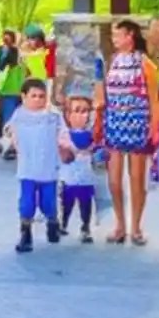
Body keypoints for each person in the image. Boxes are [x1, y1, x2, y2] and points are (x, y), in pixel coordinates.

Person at [97, 19, 159, 246]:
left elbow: (154, 100)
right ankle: (120, 224)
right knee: (114, 180)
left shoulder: (145, 63)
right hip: (115, 124)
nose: (114, 39)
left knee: (137, 179)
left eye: (118, 35)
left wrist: (154, 130)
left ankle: (136, 226)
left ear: (130, 36)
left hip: (138, 125)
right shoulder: (114, 61)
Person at [4, 78, 70, 252]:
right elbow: (9, 132)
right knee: (27, 203)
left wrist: (66, 148)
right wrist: (9, 142)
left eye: (42, 96)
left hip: (49, 168)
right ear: (24, 97)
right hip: (27, 169)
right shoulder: (18, 115)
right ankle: (26, 233)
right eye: (33, 96)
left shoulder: (53, 116)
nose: (38, 100)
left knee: (48, 202)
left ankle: (53, 221)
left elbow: (63, 134)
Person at [61, 93, 98, 243]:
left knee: (86, 204)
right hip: (68, 178)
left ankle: (85, 227)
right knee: (66, 203)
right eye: (76, 111)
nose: (81, 115)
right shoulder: (64, 135)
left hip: (85, 177)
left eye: (85, 111)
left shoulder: (92, 135)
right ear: (67, 115)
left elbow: (97, 150)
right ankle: (63, 223)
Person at [0, 29, 24, 158]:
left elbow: (1, 66)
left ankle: (6, 143)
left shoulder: (15, 52)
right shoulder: (1, 51)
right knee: (6, 118)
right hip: (7, 89)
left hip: (14, 89)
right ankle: (4, 143)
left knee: (9, 118)